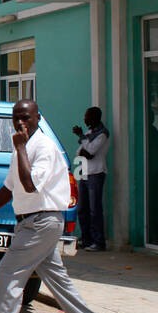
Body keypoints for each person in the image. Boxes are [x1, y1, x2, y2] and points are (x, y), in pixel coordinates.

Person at [0, 100, 114, 313]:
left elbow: (29, 185)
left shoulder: (43, 148)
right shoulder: (22, 148)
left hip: (40, 222)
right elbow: (9, 187)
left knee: (5, 275)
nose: (20, 122)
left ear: (38, 117)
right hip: (33, 222)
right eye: (16, 117)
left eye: (25, 117)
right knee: (60, 283)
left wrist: (21, 148)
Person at [71, 107, 110, 252]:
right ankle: (86, 239)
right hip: (84, 173)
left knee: (95, 210)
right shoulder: (89, 134)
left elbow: (90, 152)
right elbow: (80, 152)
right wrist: (84, 142)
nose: (84, 119)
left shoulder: (103, 134)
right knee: (82, 209)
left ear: (95, 117)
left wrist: (82, 137)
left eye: (87, 116)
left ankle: (99, 241)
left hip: (96, 173)